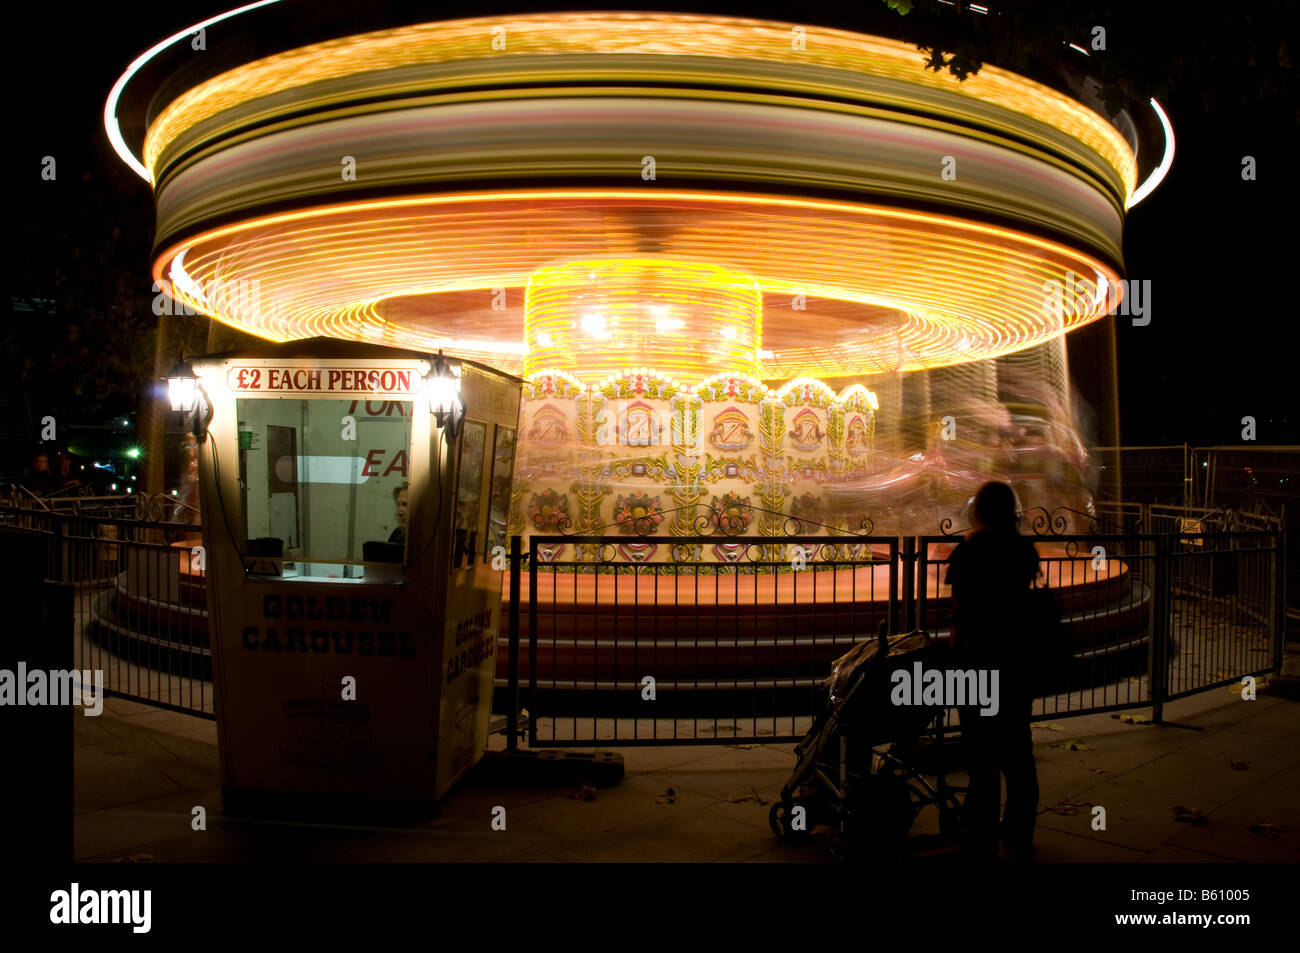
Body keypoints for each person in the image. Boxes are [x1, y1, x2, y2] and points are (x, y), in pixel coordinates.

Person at [945, 480, 1041, 861]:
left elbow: (960, 613)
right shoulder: (1023, 550)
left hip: (979, 661)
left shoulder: (969, 553)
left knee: (981, 755)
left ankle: (981, 832)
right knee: (1018, 752)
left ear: (978, 511)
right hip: (1015, 659)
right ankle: (1019, 834)